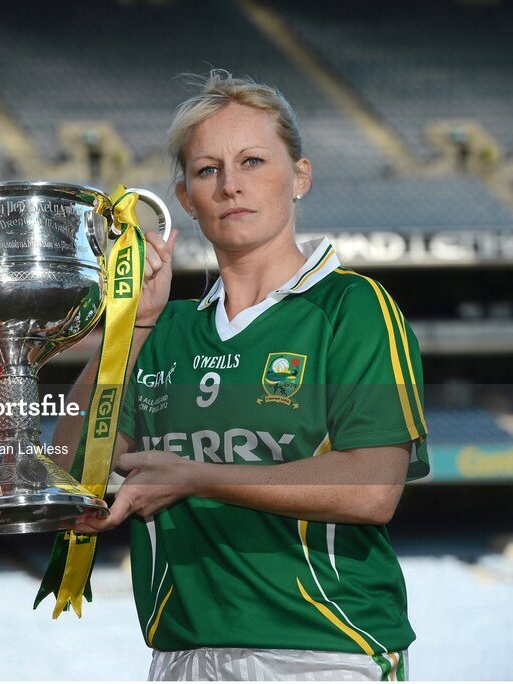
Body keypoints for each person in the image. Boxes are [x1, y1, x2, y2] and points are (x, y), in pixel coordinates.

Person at [53, 70, 429, 681]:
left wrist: (197, 477)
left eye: (253, 161)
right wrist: (130, 327)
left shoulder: (352, 308)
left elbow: (372, 489)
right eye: (208, 170)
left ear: (299, 177)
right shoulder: (164, 331)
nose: (231, 185)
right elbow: (72, 470)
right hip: (181, 656)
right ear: (184, 199)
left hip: (324, 652)